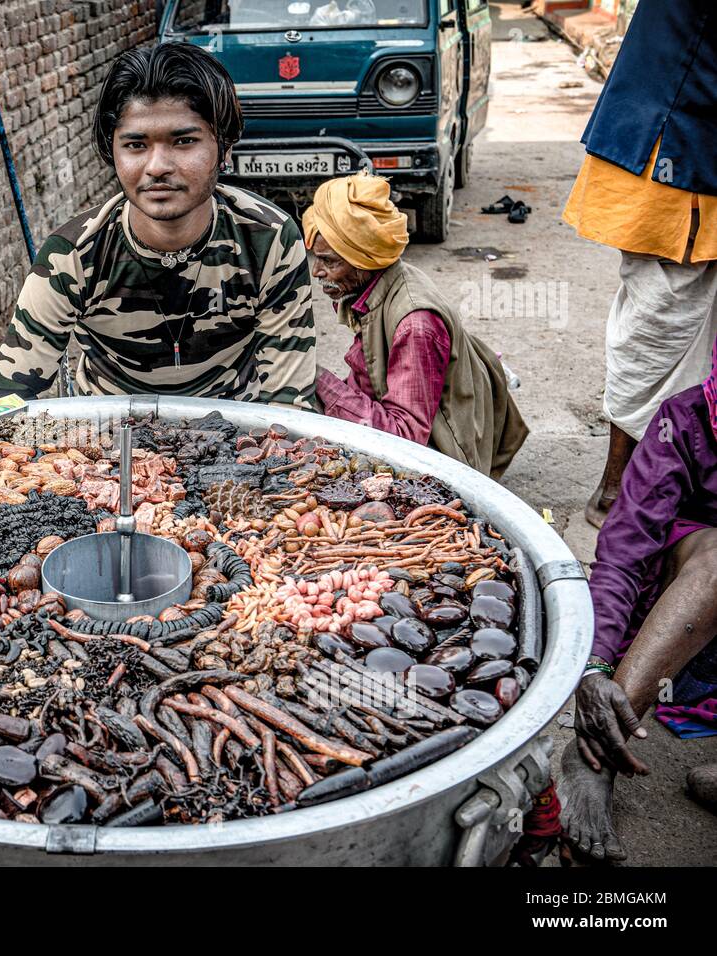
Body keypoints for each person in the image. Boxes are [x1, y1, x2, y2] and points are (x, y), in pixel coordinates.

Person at [0, 43, 316, 408]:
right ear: (112, 150)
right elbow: (8, 403)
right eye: (135, 144)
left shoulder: (269, 240)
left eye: (184, 141)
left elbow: (288, 404)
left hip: (237, 435)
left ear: (224, 147)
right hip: (105, 438)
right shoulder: (73, 255)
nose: (157, 166)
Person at [558, 339, 717, 863]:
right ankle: (595, 754)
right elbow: (624, 553)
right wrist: (595, 668)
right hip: (692, 598)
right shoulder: (684, 420)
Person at [562, 0, 717, 528]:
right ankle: (617, 491)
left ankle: (667, 478)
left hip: (673, 144)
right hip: (673, 154)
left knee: (676, 326)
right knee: (658, 326)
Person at [302, 172, 528, 479]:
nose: (317, 271)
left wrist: (320, 383)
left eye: (330, 261)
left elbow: (405, 437)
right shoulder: (381, 282)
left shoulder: (415, 324)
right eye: (316, 258)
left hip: (444, 459)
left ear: (363, 259)